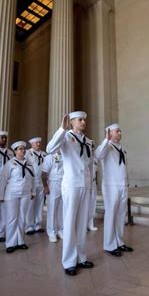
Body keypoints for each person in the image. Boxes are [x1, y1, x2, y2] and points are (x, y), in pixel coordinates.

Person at [47, 111, 95, 276]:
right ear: (72, 122)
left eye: (84, 120)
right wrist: (61, 129)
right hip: (71, 185)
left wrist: (90, 182)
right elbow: (50, 148)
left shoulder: (88, 141)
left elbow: (88, 164)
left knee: (82, 223)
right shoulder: (66, 137)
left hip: (85, 184)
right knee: (69, 222)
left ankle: (81, 257)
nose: (83, 122)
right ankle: (69, 261)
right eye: (80, 120)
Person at [95, 123, 133, 257]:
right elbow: (98, 155)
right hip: (111, 185)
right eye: (117, 131)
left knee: (121, 213)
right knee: (111, 213)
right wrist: (105, 140)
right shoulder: (107, 146)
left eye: (120, 131)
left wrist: (126, 183)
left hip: (122, 185)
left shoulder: (122, 148)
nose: (120, 133)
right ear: (110, 133)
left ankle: (119, 241)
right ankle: (109, 244)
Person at [0, 141, 36, 253]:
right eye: (20, 149)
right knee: (11, 218)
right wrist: (1, 195)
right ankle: (10, 243)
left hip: (25, 193)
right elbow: (3, 181)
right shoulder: (10, 164)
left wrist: (33, 192)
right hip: (12, 193)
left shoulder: (29, 164)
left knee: (22, 217)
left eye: (24, 149)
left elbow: (32, 180)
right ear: (15, 151)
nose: (23, 151)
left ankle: (20, 241)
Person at [25, 137, 47, 234]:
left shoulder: (44, 154)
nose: (38, 144)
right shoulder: (27, 153)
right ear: (31, 144)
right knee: (30, 205)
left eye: (39, 142)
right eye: (36, 143)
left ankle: (38, 224)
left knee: (40, 204)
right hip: (31, 182)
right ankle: (29, 226)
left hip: (41, 182)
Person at [42, 152, 64, 242]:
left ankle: (61, 230)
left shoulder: (66, 154)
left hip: (64, 183)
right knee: (52, 209)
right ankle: (51, 232)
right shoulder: (49, 157)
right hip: (53, 183)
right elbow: (44, 173)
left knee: (62, 209)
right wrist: (45, 186)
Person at [87, 155, 98, 232]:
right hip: (86, 182)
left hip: (93, 182)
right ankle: (83, 225)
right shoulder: (85, 157)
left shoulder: (95, 159)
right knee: (85, 204)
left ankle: (91, 223)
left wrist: (96, 182)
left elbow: (96, 171)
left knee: (92, 204)